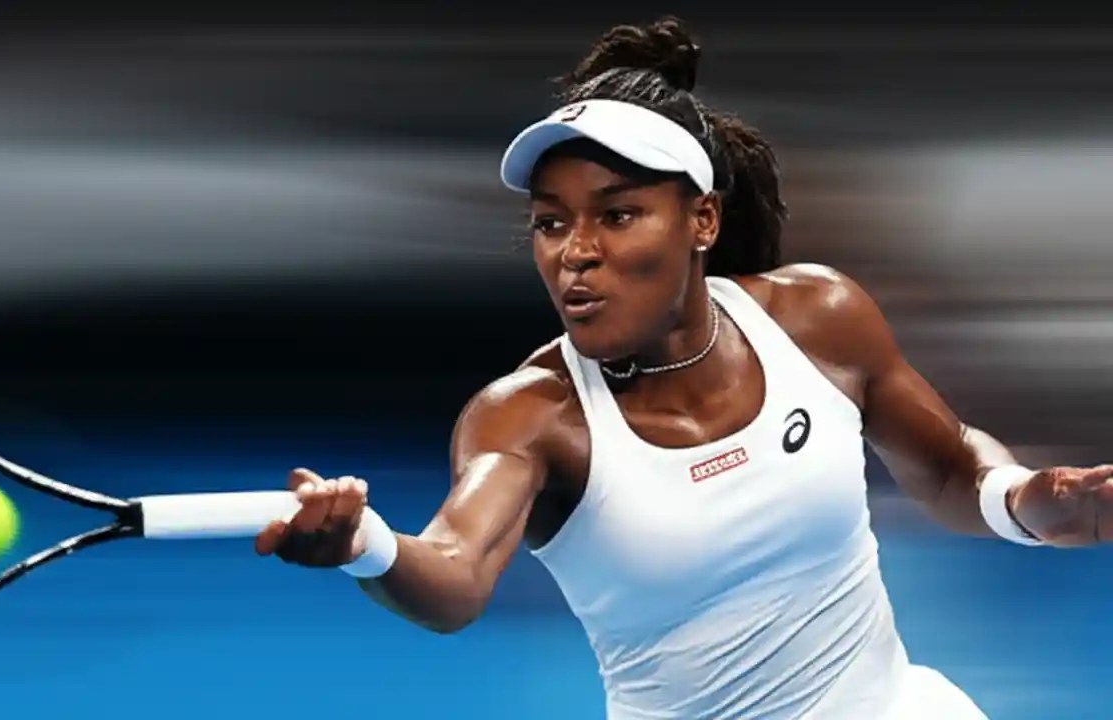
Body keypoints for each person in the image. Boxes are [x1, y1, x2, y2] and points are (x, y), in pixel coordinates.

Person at [253, 16, 1113, 719]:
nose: (575, 255)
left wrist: (1039, 503)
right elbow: (452, 574)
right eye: (551, 225)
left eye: (617, 216)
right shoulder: (528, 416)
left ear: (701, 221)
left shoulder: (818, 317)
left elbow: (953, 467)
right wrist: (364, 545)